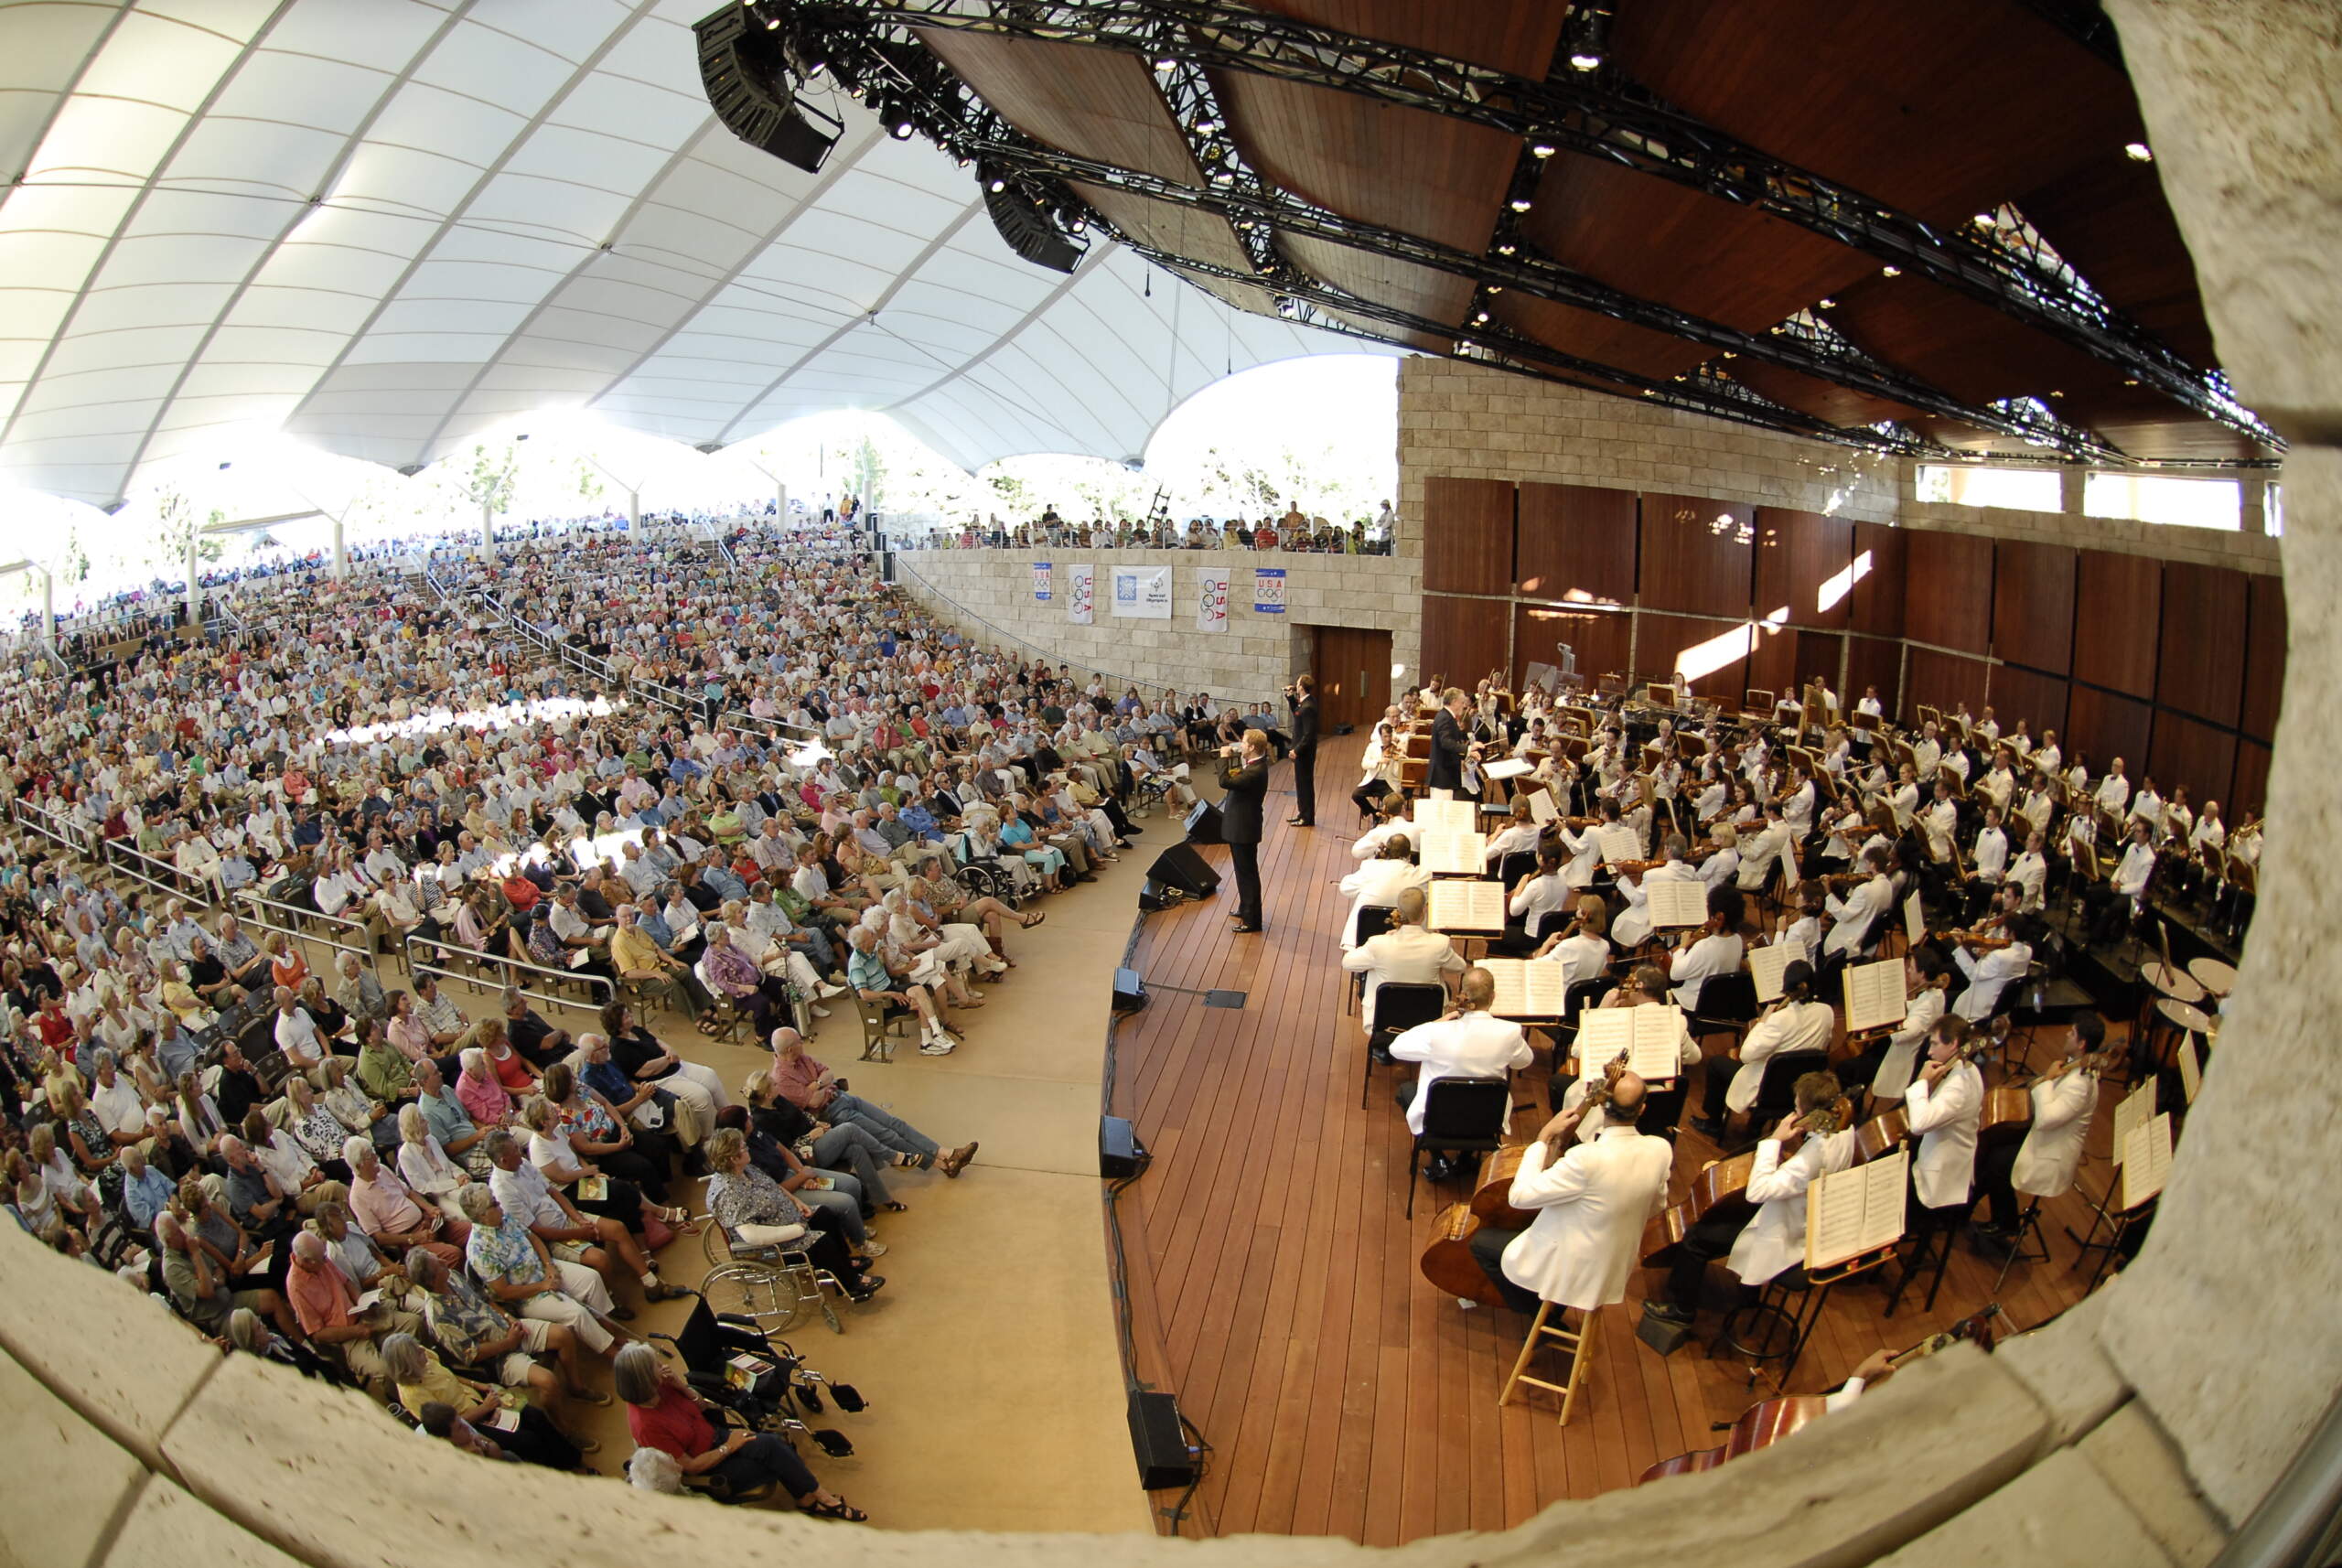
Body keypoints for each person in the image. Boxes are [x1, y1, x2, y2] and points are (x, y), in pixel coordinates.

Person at [1649, 1069, 1854, 1324]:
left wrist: (1774, 1141)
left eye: (1796, 1108)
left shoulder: (1808, 1161)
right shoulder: (1845, 1130)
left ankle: (1682, 1310)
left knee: (1697, 1238)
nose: (1792, 1114)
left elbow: (1757, 1192)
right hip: (1804, 1216)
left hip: (1783, 1230)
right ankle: (1748, 1292)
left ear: (1809, 1116)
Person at [1466, 1075, 1673, 1316]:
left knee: (1481, 1243)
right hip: (1614, 1263)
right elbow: (1656, 1206)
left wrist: (1543, 1139)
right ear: (1642, 1109)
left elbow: (1519, 1197)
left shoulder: (1585, 1158)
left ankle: (1541, 1312)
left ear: (1602, 1107)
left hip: (1572, 1266)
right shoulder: (1661, 1149)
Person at [616, 1341, 865, 1519]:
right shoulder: (647, 1425)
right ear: (645, 1380)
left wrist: (679, 1386)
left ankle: (812, 1499)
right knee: (777, 1456)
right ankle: (820, 1500)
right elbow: (689, 1467)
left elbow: (701, 1406)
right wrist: (728, 1447)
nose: (662, 1366)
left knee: (775, 1446)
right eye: (656, 1366)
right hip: (709, 1464)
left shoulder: (662, 1386)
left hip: (717, 1436)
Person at [701, 1127, 883, 1303]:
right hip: (775, 1241)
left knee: (825, 1215)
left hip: (789, 1217)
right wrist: (795, 1230)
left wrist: (797, 1202)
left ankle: (844, 1263)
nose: (747, 1148)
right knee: (822, 1242)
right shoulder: (729, 1194)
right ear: (733, 1158)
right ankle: (850, 1285)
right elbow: (751, 1235)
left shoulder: (746, 1169)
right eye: (743, 1147)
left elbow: (773, 1186)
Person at [1975, 1014, 2109, 1249]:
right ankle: (1970, 1205)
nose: (2067, 1034)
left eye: (2072, 1033)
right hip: (2043, 1132)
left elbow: (2047, 1119)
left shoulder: (2080, 1085)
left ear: (2082, 1044)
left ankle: (2006, 1222)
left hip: (2052, 1149)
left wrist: (2046, 1080)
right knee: (1993, 1144)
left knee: (1998, 1161)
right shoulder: (2074, 1066)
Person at [1387, 967, 1533, 1179]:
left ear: (1462, 996)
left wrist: (1436, 1023)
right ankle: (1465, 1158)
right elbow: (1524, 1061)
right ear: (1493, 997)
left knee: (1406, 1091)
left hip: (1439, 1118)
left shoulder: (1438, 1032)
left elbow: (1396, 1047)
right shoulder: (1509, 1031)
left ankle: (1438, 1158)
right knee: (1476, 1098)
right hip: (1486, 1119)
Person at [381, 1332, 589, 1470]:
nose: (422, 1350)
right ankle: (556, 1472)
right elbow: (449, 1425)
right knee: (527, 1441)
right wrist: (485, 1408)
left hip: (479, 1399)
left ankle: (572, 1459)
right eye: (416, 1352)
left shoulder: (424, 1357)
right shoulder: (413, 1394)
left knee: (535, 1416)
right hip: (470, 1422)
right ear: (408, 1365)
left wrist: (477, 1385)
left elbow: (451, 1376)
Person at [1692, 960, 1833, 1138]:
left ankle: (1714, 1124)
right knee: (1781, 1069)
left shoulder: (1780, 1019)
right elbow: (1824, 1042)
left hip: (1767, 1086)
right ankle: (1756, 1125)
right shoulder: (1827, 1012)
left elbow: (1746, 1055)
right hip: (1800, 1086)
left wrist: (1763, 1022)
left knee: (1716, 1064)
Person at [1338, 886, 1464, 1036]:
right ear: (1424, 911)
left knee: (1373, 969)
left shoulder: (1378, 944)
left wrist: (1384, 940)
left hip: (1383, 1021)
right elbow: (1460, 966)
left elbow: (1347, 962)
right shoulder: (1440, 944)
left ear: (1398, 912)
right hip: (1430, 1022)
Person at [1218, 725, 1271, 934]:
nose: (1240, 745)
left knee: (1247, 874)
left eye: (1243, 742)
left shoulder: (1255, 771)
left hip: (1244, 828)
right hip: (1241, 826)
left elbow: (1225, 781)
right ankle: (1245, 907)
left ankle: (1252, 920)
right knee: (1242, 872)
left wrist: (1224, 757)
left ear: (1252, 747)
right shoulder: (1254, 765)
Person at [1285, 673, 1319, 827]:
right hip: (1302, 752)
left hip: (1304, 753)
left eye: (1298, 683)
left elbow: (1309, 734)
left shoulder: (1308, 707)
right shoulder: (1306, 702)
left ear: (1301, 687)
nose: (1296, 685)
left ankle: (1307, 818)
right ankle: (1302, 813)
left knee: (1304, 785)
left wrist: (1296, 750)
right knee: (1301, 785)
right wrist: (1290, 697)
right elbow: (1297, 713)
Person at [1427, 687, 1475, 797]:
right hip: (1442, 776)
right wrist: (1468, 749)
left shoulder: (1446, 716)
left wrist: (1468, 751)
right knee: (1442, 806)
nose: (1464, 706)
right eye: (1462, 702)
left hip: (1444, 775)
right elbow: (1446, 742)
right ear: (1454, 702)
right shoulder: (1445, 717)